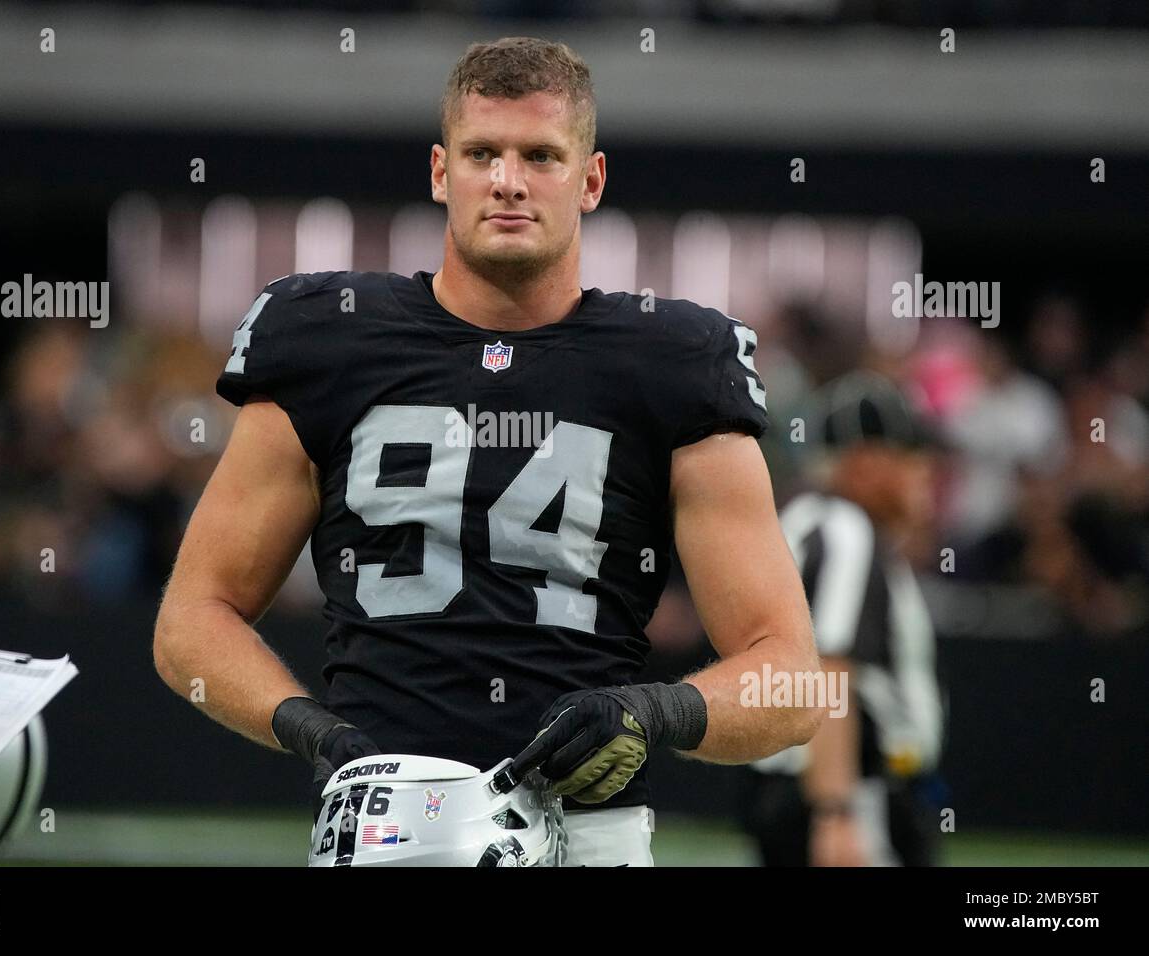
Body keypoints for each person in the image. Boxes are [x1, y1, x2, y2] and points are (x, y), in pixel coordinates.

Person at [154, 36, 822, 866]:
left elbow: (792, 677)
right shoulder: (328, 336)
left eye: (540, 155)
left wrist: (653, 714)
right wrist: (314, 733)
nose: (508, 180)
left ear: (591, 180)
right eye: (482, 153)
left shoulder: (674, 358)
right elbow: (192, 618)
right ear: (441, 173)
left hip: (586, 838)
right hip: (382, 826)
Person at [739, 371, 946, 866]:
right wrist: (836, 812)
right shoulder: (844, 532)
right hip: (847, 791)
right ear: (866, 460)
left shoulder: (813, 523)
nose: (927, 472)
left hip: (799, 786)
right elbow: (828, 672)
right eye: (911, 454)